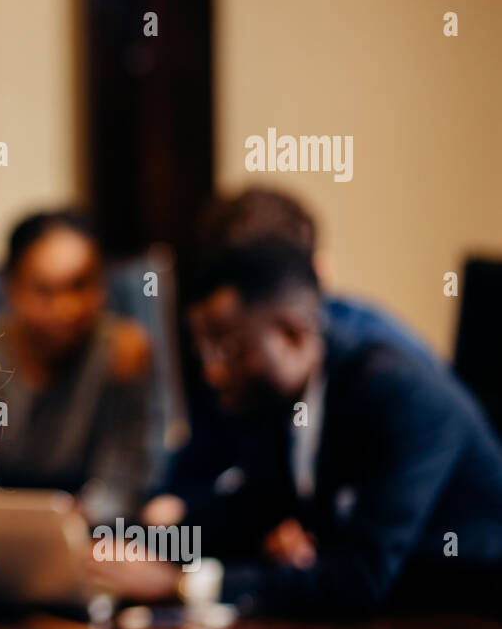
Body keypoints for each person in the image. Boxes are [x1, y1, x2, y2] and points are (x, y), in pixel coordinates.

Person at [94, 239, 502, 617]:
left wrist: (183, 583)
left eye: (229, 349)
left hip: (468, 617)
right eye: (204, 350)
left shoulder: (397, 391)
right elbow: (247, 513)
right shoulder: (285, 398)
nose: (214, 372)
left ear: (293, 331)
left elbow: (361, 578)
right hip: (395, 623)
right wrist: (130, 542)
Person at [142, 186, 443, 529]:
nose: (217, 370)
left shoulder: (384, 368)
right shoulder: (236, 358)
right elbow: (201, 476)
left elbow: (369, 542)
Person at [0, 210, 157, 524]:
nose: (65, 308)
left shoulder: (122, 351)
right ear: (11, 288)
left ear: (103, 286)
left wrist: (80, 520)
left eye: (80, 285)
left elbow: (121, 480)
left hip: (90, 529)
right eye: (44, 290)